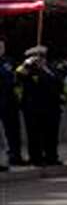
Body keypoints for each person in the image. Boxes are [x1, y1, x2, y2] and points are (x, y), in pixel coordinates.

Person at [15, 46, 63, 167]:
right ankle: (36, 158)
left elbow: (59, 82)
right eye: (38, 57)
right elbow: (19, 74)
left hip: (52, 107)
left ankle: (51, 157)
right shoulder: (29, 70)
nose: (41, 59)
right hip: (34, 108)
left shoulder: (51, 69)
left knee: (51, 134)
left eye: (43, 56)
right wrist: (27, 63)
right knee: (35, 135)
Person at [0, 37, 24, 166]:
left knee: (15, 130)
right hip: (1, 101)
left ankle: (17, 156)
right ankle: (10, 156)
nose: (1, 49)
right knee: (5, 132)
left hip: (11, 101)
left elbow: (18, 73)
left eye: (2, 47)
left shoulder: (9, 60)